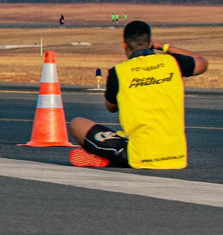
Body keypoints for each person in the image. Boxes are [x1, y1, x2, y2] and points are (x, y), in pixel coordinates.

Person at [68, 21, 210, 169]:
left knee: (77, 124)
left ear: (124, 45)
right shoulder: (172, 62)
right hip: (176, 156)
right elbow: (202, 62)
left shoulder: (119, 72)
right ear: (150, 44)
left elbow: (111, 107)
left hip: (140, 155)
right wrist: (164, 47)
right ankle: (109, 156)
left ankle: (108, 157)